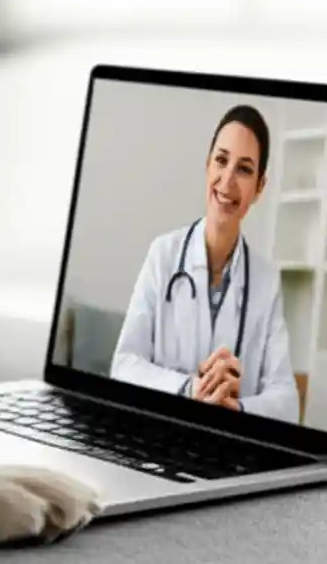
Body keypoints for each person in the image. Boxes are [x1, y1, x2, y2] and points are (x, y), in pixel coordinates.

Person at [109, 105, 300, 423]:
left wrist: (235, 408)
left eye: (244, 169)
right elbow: (125, 364)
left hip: (228, 448)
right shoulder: (163, 254)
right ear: (207, 165)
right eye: (221, 161)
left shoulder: (266, 281)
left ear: (259, 188)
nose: (227, 180)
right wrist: (190, 389)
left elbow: (287, 401)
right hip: (158, 436)